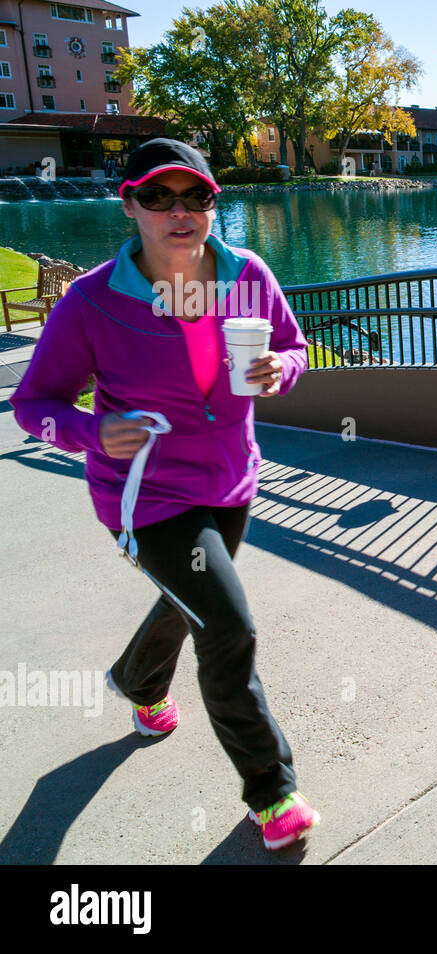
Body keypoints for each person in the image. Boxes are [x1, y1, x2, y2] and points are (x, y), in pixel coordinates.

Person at [11, 138, 320, 852]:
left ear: (214, 205)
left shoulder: (248, 275)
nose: (179, 212)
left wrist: (283, 369)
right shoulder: (94, 301)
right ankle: (271, 791)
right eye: (158, 197)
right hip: (143, 495)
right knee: (228, 625)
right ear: (130, 206)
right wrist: (92, 431)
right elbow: (35, 403)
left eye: (197, 197)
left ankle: (137, 680)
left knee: (193, 602)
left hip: (232, 480)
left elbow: (294, 347)